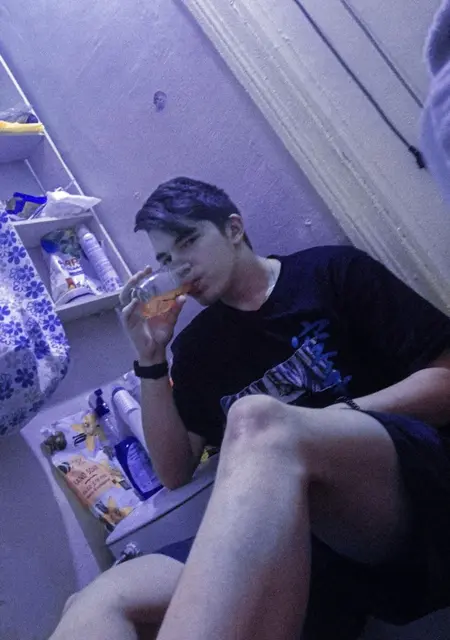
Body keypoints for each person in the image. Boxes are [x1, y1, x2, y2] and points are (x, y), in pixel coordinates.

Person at [50, 172, 450, 640]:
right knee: (97, 600)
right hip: (297, 546)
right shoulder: (197, 351)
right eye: (166, 259)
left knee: (257, 419)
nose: (179, 267)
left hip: (412, 498)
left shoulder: (330, 273)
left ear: (234, 228)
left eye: (188, 241)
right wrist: (151, 357)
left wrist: (324, 422)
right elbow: (174, 473)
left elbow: (444, 380)